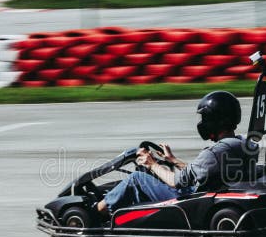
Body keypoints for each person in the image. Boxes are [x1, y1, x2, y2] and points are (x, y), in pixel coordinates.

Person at [96, 90, 257, 217]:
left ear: (216, 119)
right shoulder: (243, 144)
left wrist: (152, 164)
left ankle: (96, 211)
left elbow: (175, 182)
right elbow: (200, 172)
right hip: (208, 191)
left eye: (205, 118)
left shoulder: (214, 153)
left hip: (190, 200)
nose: (202, 123)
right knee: (150, 177)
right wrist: (173, 160)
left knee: (136, 178)